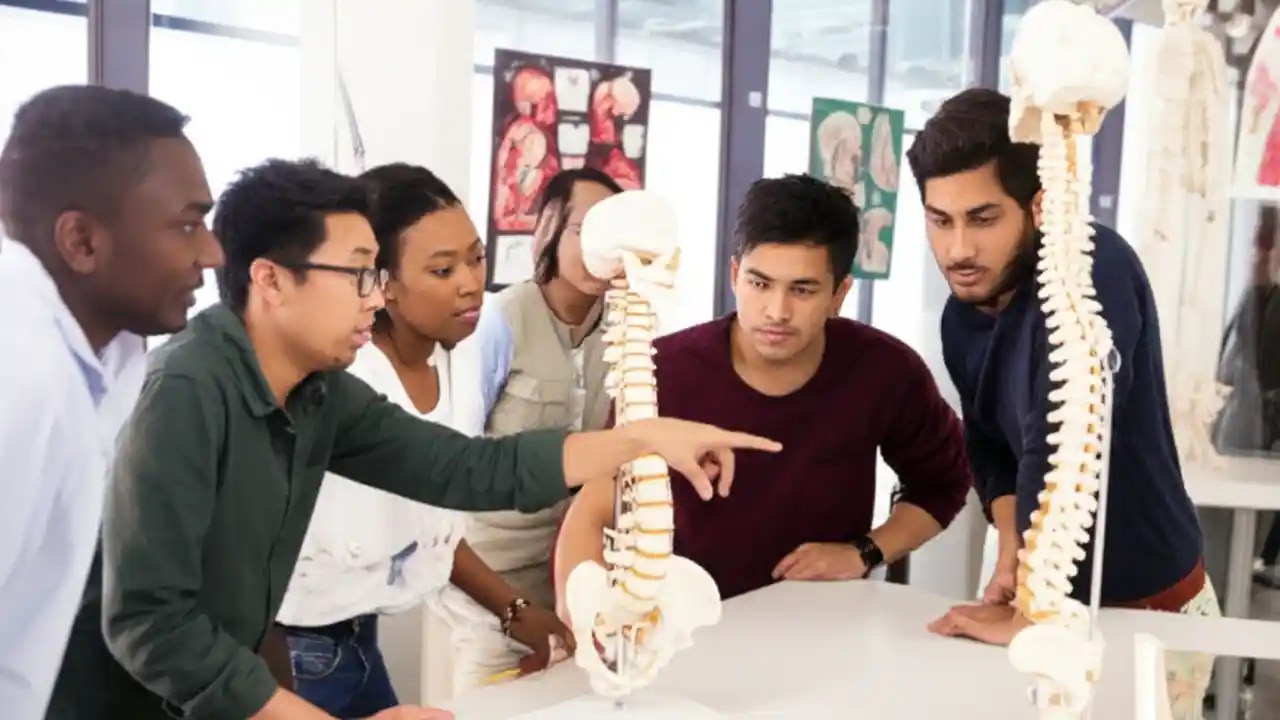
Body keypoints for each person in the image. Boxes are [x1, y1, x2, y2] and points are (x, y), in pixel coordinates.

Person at [72, 158, 777, 720]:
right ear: (271, 280)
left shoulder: (321, 391)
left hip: (260, 665)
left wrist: (641, 439)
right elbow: (151, 626)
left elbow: (465, 470)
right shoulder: (187, 391)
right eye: (358, 275)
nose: (375, 298)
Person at [909, 89, 1218, 718]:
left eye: (983, 218)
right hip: (1034, 606)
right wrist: (1009, 548)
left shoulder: (1093, 267)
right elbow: (992, 448)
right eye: (941, 220)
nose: (958, 249)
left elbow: (1067, 440)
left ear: (1039, 204)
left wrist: (1034, 612)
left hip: (1147, 607)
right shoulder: (961, 317)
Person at [553, 174, 973, 619]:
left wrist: (865, 551)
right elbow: (593, 507)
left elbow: (943, 484)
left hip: (825, 624)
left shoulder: (885, 370)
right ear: (735, 274)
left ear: (839, 293)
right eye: (759, 283)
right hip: (682, 629)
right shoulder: (663, 371)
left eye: (803, 290)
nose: (777, 311)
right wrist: (582, 624)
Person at [274, 163, 571, 718]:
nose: (469, 282)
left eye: (476, 258)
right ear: (382, 282)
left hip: (357, 639)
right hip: (295, 649)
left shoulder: (449, 356)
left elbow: (431, 520)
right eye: (442, 270)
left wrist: (511, 608)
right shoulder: (347, 380)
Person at [0, 85, 223, 720]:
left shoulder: (113, 354)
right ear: (81, 241)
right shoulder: (18, 373)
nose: (212, 253)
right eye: (186, 224)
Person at [440, 168, 624, 692]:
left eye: (610, 236)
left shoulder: (624, 329)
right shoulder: (500, 318)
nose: (597, 250)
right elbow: (453, 460)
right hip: (489, 579)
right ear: (547, 230)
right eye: (581, 231)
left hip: (573, 574)